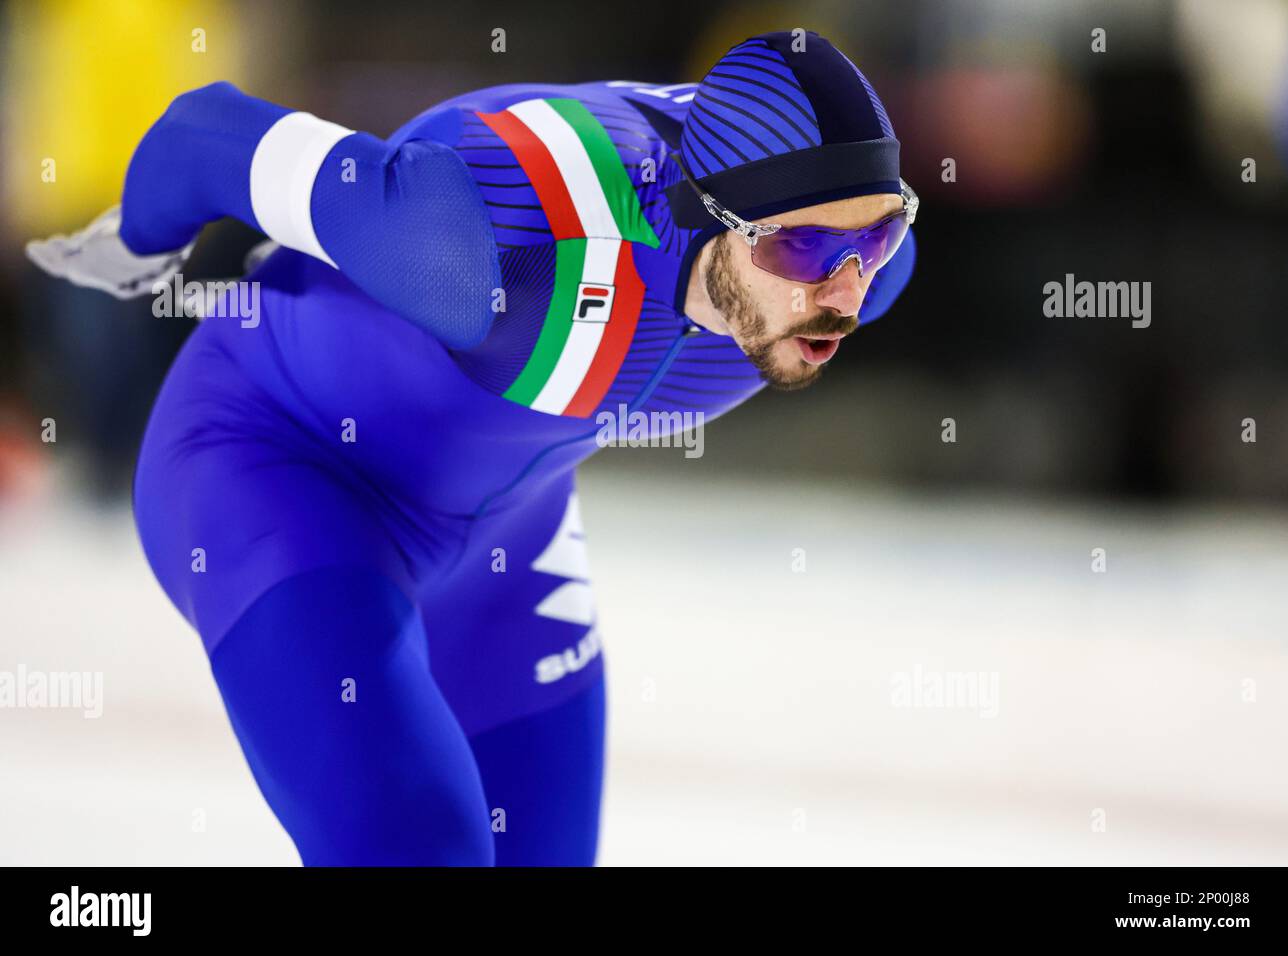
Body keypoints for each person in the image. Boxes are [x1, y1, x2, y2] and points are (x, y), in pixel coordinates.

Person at [27, 30, 918, 865]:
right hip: (276, 473)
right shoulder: (486, 244)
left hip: (506, 533)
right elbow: (205, 131)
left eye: (880, 234)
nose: (844, 291)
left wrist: (840, 244)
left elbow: (839, 237)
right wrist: (133, 248)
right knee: (421, 850)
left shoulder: (859, 271)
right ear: (716, 211)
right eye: (806, 248)